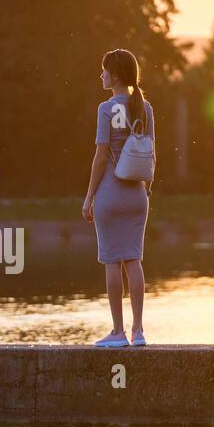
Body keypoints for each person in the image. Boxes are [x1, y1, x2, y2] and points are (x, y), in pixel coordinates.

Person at [82, 48, 154, 347]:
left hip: (110, 196)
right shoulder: (144, 108)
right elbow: (151, 154)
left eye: (104, 70)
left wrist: (89, 198)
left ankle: (117, 332)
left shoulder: (106, 109)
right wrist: (146, 189)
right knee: (134, 261)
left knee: (113, 262)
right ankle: (139, 332)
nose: (101, 75)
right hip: (137, 195)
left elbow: (100, 157)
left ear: (115, 75)